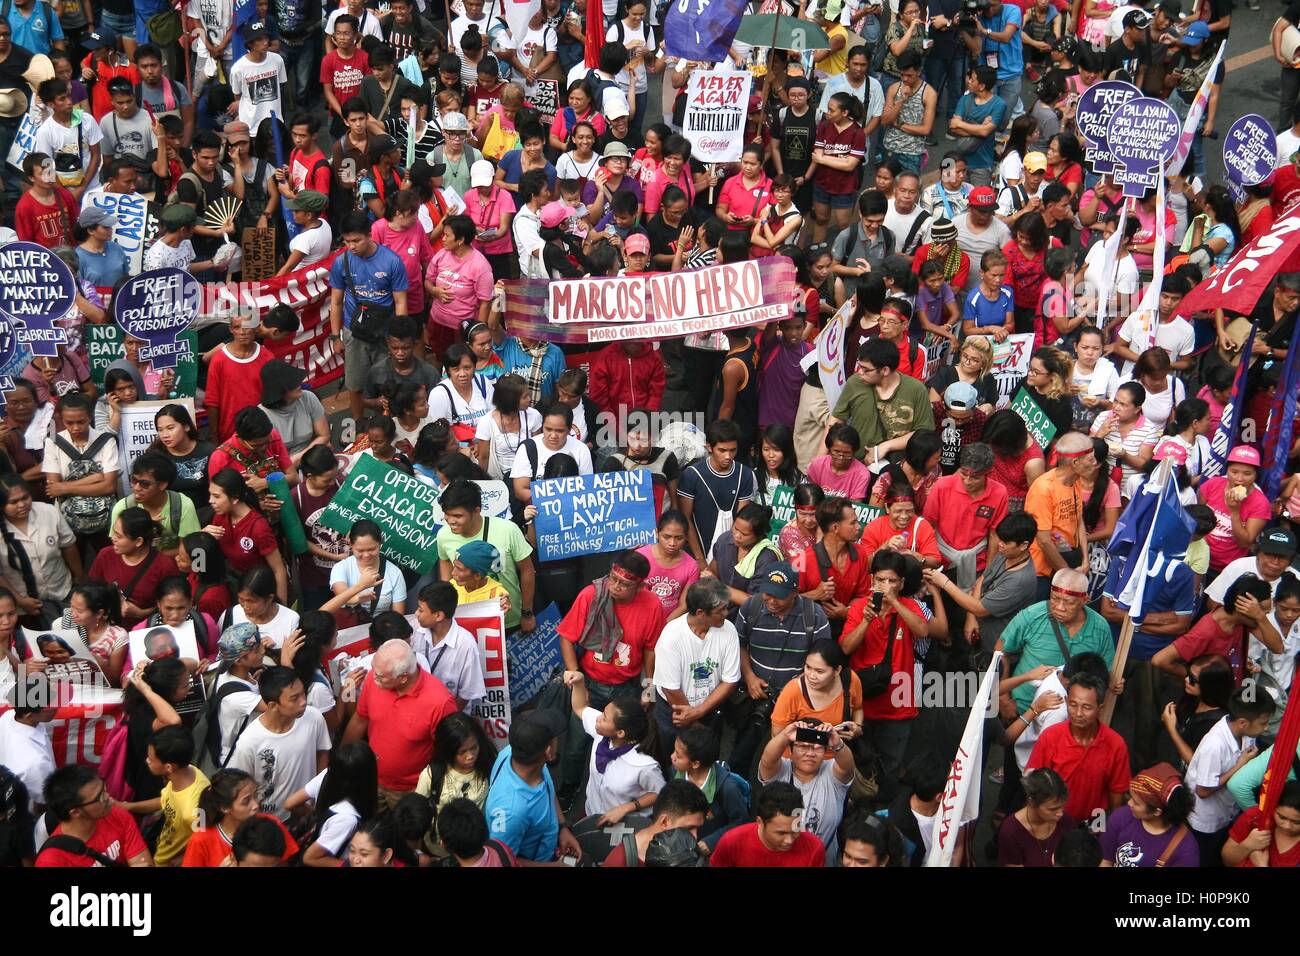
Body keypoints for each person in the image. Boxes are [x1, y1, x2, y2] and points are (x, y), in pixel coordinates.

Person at [340, 640, 457, 808]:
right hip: (371, 780)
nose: (373, 677)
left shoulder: (440, 703)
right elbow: (360, 719)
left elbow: (447, 753)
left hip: (411, 792)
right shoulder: (374, 679)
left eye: (380, 676)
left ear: (403, 678)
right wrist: (341, 760)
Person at [329, 210, 412, 422]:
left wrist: (399, 337)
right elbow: (336, 301)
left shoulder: (392, 262)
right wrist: (335, 336)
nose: (352, 246)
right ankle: (358, 423)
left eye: (356, 240)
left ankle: (388, 423)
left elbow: (401, 302)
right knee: (355, 384)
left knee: (389, 383)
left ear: (369, 235)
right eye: (347, 241)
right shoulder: (341, 262)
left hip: (384, 334)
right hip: (353, 332)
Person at [1026, 672, 1131, 826]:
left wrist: (1108, 831)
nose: (1078, 713)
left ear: (1100, 708)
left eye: (1087, 707)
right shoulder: (1050, 737)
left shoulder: (1116, 744)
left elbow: (1116, 793)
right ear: (1067, 701)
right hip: (1053, 822)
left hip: (1093, 824)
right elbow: (1033, 785)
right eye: (1073, 705)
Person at [651, 578, 741, 755]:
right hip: (673, 714)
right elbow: (670, 688)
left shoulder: (728, 630)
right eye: (720, 610)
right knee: (671, 761)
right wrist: (692, 722)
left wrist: (697, 713)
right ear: (701, 613)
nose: (726, 612)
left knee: (705, 761)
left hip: (709, 711)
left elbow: (730, 680)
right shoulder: (671, 636)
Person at [435, 479, 536, 635]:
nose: (451, 521)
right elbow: (444, 560)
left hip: (508, 621)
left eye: (457, 515)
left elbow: (527, 569)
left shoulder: (507, 530)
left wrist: (527, 612)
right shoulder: (443, 536)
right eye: (447, 515)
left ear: (477, 510)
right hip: (464, 624)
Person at [1186, 686, 1274, 864]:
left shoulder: (1244, 731)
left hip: (1227, 813)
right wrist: (1240, 765)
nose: (1266, 728)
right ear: (1243, 722)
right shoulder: (1214, 745)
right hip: (1207, 822)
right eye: (1263, 723)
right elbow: (1203, 791)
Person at [484, 708, 583, 865]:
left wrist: (563, 826)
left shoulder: (517, 754)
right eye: (555, 738)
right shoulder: (512, 813)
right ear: (549, 751)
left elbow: (547, 790)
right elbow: (502, 861)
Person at [830, 338, 935, 469]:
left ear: (885, 370)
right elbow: (836, 420)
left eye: (866, 369)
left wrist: (886, 446)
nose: (860, 372)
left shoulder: (916, 389)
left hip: (898, 468)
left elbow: (924, 432)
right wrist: (821, 460)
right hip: (857, 465)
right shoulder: (854, 383)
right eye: (860, 366)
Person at [35, 765, 152, 866]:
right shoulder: (51, 861)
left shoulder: (117, 815)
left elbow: (145, 863)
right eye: (99, 797)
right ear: (75, 812)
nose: (108, 797)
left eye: (104, 788)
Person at [182, 768, 299, 866]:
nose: (256, 805)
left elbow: (287, 861)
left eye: (256, 796)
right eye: (246, 801)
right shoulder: (201, 840)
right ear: (224, 807)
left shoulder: (271, 823)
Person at [1099, 762, 1200, 867]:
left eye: (1136, 803)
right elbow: (1106, 861)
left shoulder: (1186, 849)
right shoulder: (1120, 817)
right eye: (1130, 797)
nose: (1129, 803)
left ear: (1157, 811)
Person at [709, 781, 826, 867]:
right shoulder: (731, 843)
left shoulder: (813, 847)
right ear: (760, 822)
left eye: (796, 830)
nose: (789, 840)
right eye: (781, 833)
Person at [411, 583, 487, 712]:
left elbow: (466, 694)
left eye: (421, 610)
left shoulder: (466, 644)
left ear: (439, 616)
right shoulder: (414, 629)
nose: (416, 613)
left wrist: (446, 720)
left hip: (448, 717)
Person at [998, 767, 1075, 866]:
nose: (1060, 813)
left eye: (1062, 806)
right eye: (1052, 809)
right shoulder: (1011, 832)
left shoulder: (1066, 822)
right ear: (1032, 802)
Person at [1223, 779, 1300, 867]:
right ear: (1273, 807)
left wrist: (1261, 865)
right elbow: (1227, 861)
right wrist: (1247, 846)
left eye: (1297, 822)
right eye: (1282, 817)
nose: (1287, 826)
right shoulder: (1255, 817)